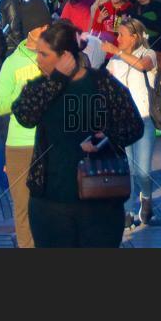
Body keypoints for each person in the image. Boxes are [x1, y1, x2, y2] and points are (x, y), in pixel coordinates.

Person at [11, 17, 144, 248]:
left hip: (101, 199)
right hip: (50, 202)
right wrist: (58, 79)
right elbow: (24, 115)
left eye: (44, 54)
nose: (37, 59)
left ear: (64, 56)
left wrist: (107, 137)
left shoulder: (103, 83)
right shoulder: (42, 86)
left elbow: (134, 126)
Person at [0, 0, 51, 247]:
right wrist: (23, 94)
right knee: (23, 209)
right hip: (19, 146)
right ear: (31, 29)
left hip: (51, 143)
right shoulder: (12, 63)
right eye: (43, 28)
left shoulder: (55, 58)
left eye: (49, 26)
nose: (48, 31)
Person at [102, 17, 158, 230]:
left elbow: (143, 66)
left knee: (142, 171)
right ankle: (127, 211)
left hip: (143, 121)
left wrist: (116, 52)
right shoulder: (114, 62)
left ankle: (146, 196)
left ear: (134, 38)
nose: (118, 39)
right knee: (126, 170)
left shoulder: (147, 54)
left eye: (121, 35)